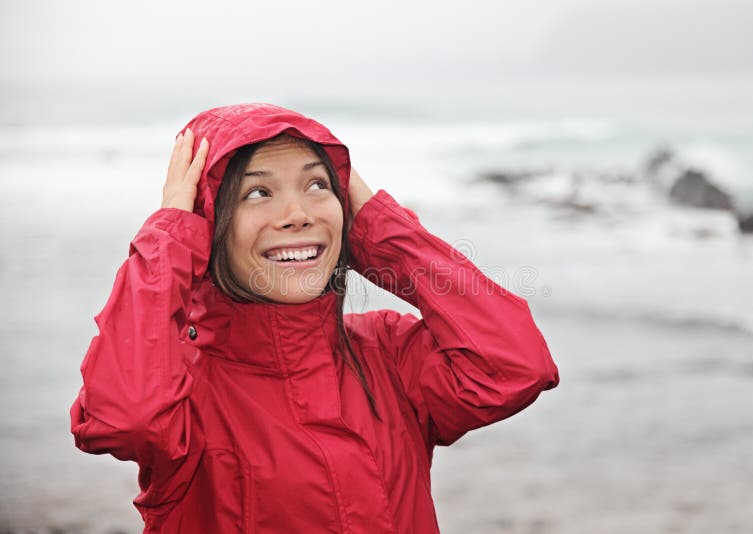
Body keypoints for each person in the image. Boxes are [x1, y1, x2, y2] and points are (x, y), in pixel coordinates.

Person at [70, 103, 560, 533]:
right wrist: (170, 236)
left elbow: (517, 367)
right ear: (208, 227)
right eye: (257, 193)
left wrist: (377, 227)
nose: (297, 213)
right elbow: (125, 418)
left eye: (318, 185)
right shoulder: (186, 387)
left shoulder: (386, 354)